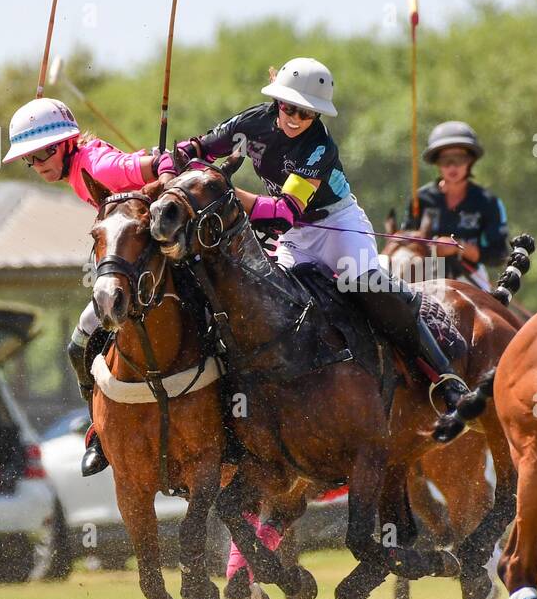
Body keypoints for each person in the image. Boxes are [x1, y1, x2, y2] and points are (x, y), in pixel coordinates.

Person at [174, 57, 472, 416]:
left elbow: (283, 213)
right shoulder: (250, 123)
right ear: (277, 101)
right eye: (289, 107)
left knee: (367, 283)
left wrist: (222, 193)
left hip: (338, 225)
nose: (296, 119)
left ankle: (446, 378)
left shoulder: (318, 146)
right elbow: (194, 150)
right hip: (298, 238)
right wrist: (172, 164)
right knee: (260, 297)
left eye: (307, 113)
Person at [2, 97, 176, 475]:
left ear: (68, 143)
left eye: (45, 152)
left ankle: (100, 431)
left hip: (165, 261)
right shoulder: (78, 165)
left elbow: (140, 165)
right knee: (81, 343)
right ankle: (102, 427)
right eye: (30, 158)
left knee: (79, 344)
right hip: (143, 265)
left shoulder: (95, 165)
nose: (38, 164)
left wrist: (162, 164)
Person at [407, 121, 510, 289]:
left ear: (470, 161)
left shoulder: (487, 201)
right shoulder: (421, 199)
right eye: (445, 160)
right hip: (422, 278)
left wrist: (459, 248)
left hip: (471, 281)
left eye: (460, 159)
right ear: (437, 163)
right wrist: (431, 247)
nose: (452, 166)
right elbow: (407, 243)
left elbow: (499, 255)